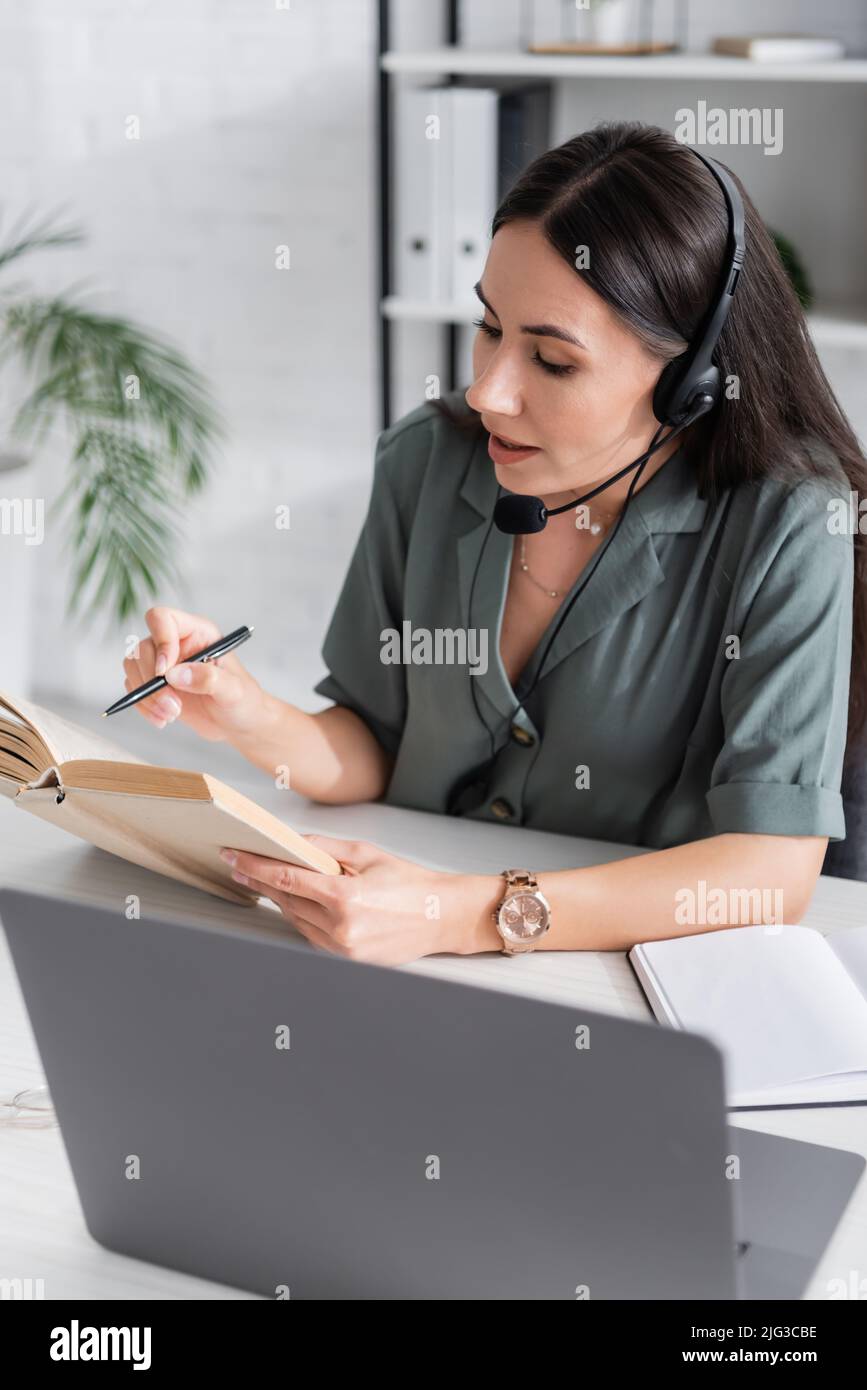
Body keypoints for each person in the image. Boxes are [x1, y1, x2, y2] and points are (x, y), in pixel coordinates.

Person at [122, 122, 864, 964]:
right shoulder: (428, 462)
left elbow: (770, 872)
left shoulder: (788, 520)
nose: (486, 391)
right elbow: (373, 749)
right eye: (488, 325)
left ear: (690, 382)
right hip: (392, 945)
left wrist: (458, 915)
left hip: (620, 977)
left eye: (550, 361)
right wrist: (248, 714)